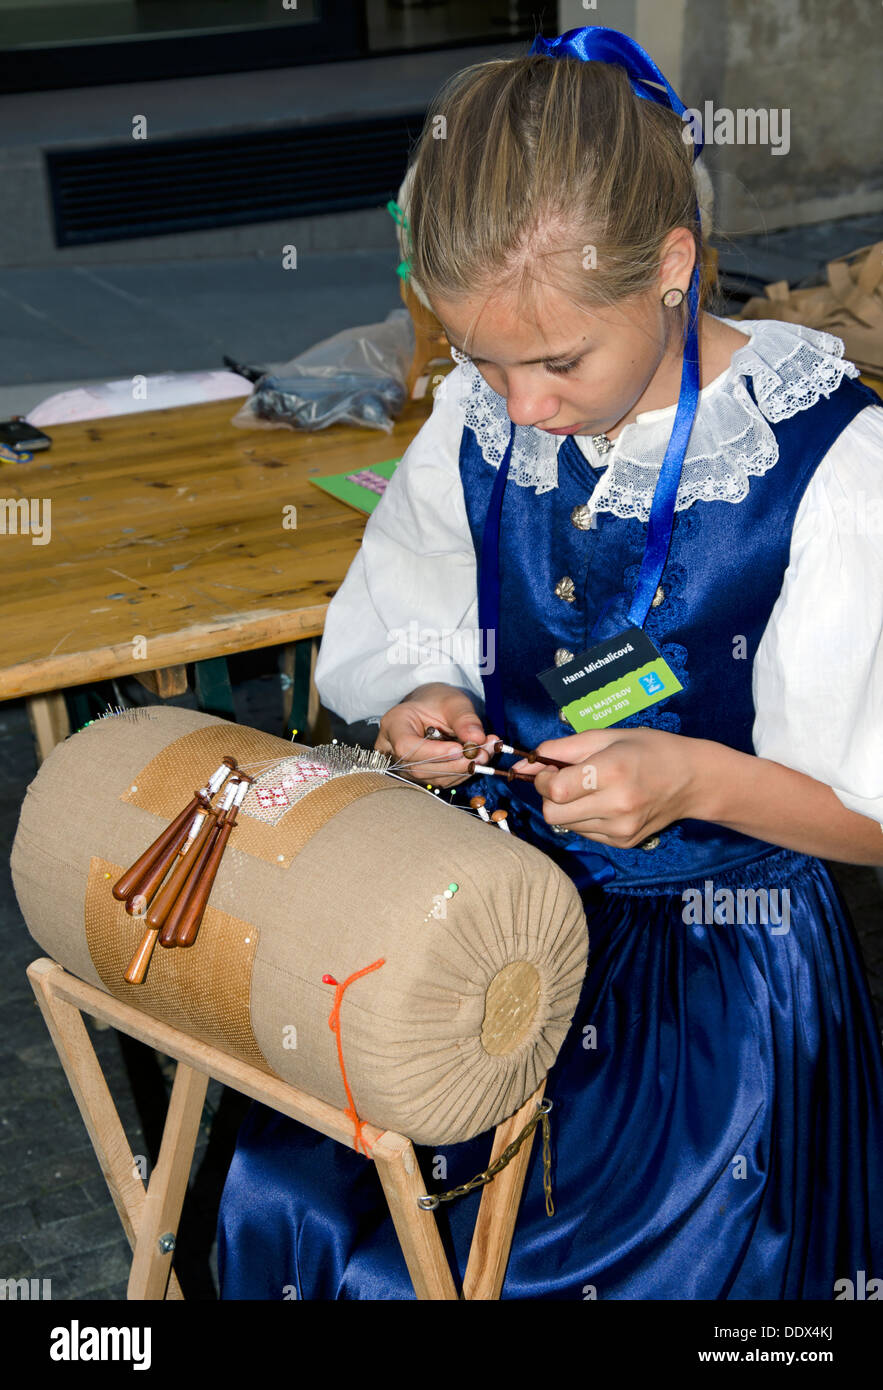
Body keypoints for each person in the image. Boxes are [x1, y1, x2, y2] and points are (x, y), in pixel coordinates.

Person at [217, 27, 883, 1300]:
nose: (515, 404)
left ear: (673, 270)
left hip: (710, 978)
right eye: (478, 357)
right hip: (476, 922)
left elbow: (864, 814)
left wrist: (693, 780)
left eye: (556, 360)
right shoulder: (480, 425)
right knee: (299, 1202)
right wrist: (423, 700)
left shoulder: (826, 470)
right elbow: (406, 631)